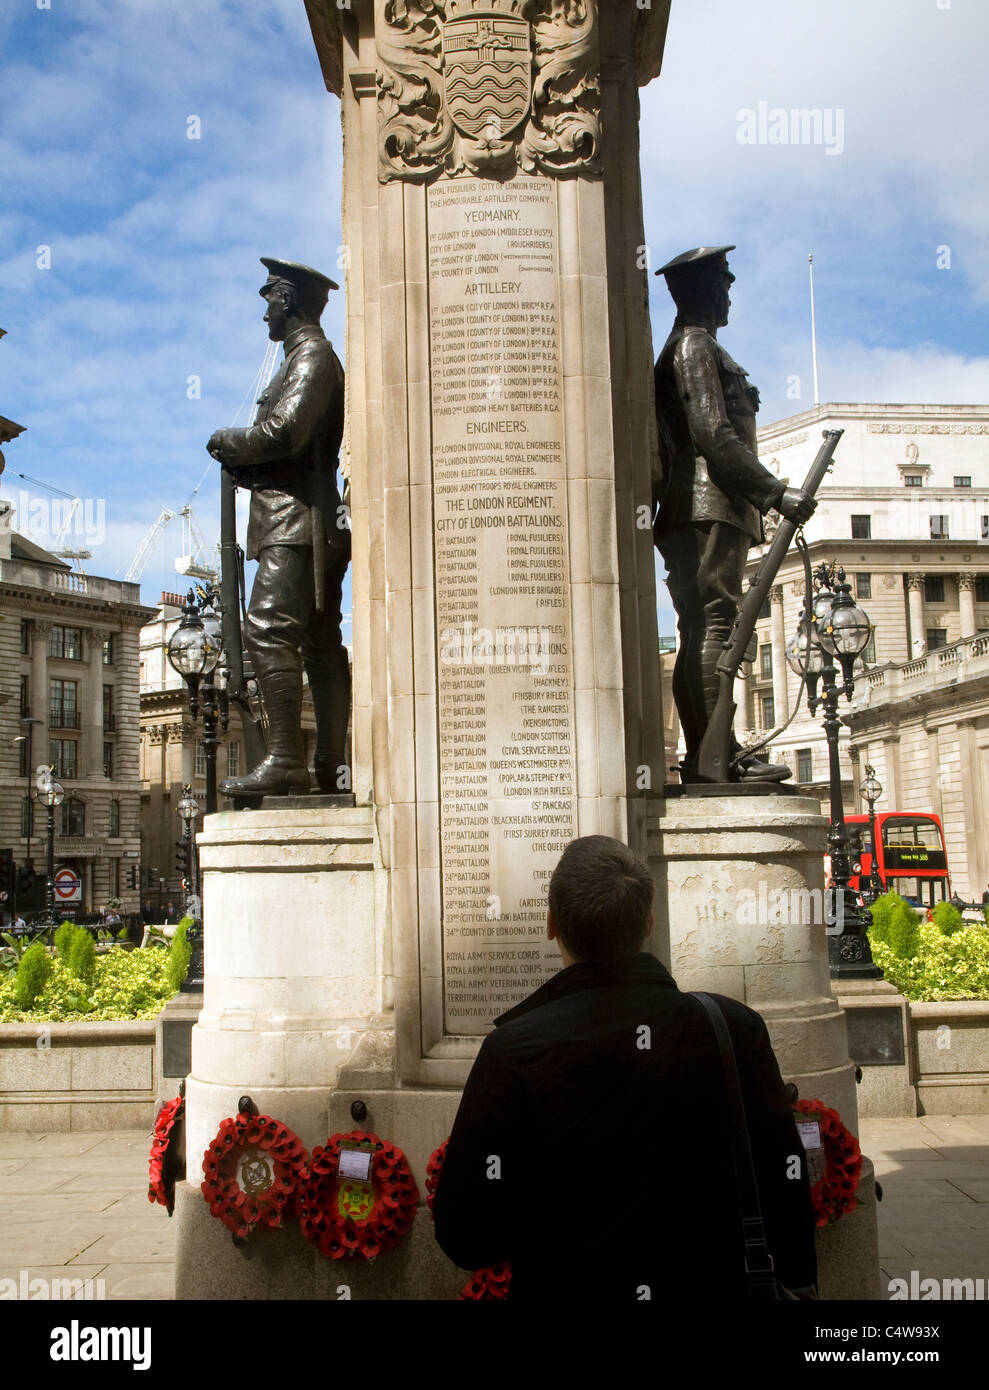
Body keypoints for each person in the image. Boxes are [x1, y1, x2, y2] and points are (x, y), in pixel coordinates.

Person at [432, 835, 818, 1302]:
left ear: (551, 922)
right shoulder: (733, 1029)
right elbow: (786, 1188)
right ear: (650, 921)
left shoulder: (514, 1052)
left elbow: (466, 1235)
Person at [652, 246, 817, 783]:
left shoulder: (702, 348)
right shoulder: (694, 346)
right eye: (723, 283)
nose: (730, 292)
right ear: (701, 289)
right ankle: (712, 758)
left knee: (714, 625)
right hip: (704, 504)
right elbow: (713, 434)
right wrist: (775, 493)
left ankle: (716, 752)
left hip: (713, 506)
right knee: (711, 625)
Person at [207, 257, 351, 798]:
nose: (263, 308)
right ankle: (329, 768)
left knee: (267, 630)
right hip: (302, 519)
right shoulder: (299, 359)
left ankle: (289, 760)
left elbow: (285, 431)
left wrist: (229, 440)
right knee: (318, 641)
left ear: (287, 300)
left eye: (268, 297)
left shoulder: (311, 357)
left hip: (298, 521)